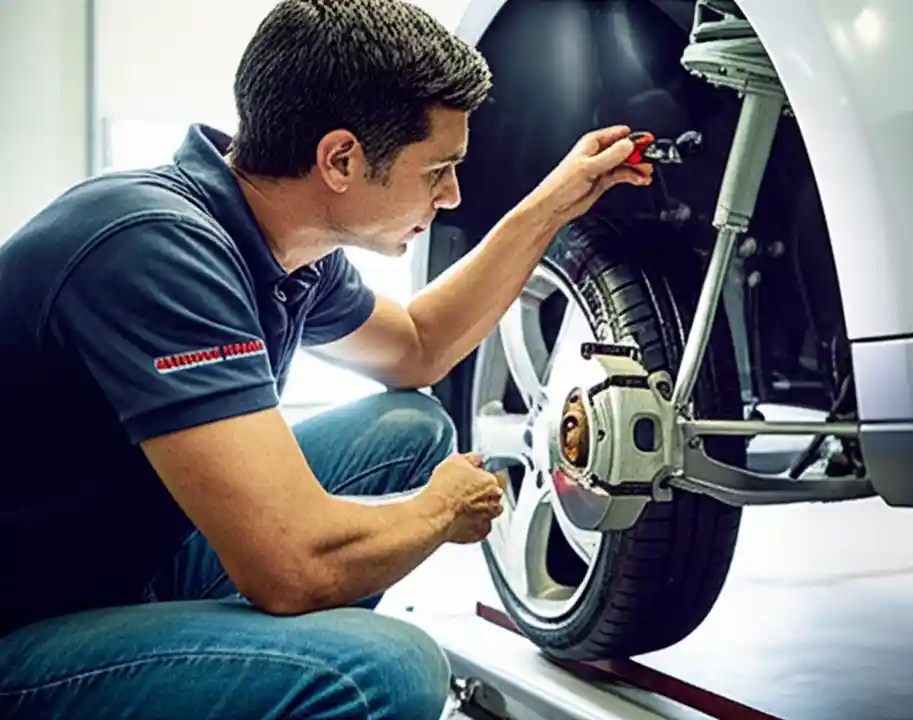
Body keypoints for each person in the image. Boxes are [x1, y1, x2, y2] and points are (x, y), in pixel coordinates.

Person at [0, 0, 653, 717]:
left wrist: (552, 206)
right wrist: (437, 511)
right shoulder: (154, 250)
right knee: (387, 669)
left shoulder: (277, 242)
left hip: (115, 560)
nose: (452, 193)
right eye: (437, 169)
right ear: (340, 159)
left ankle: (247, 673)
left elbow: (418, 347)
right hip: (25, 625)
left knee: (408, 429)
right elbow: (291, 569)